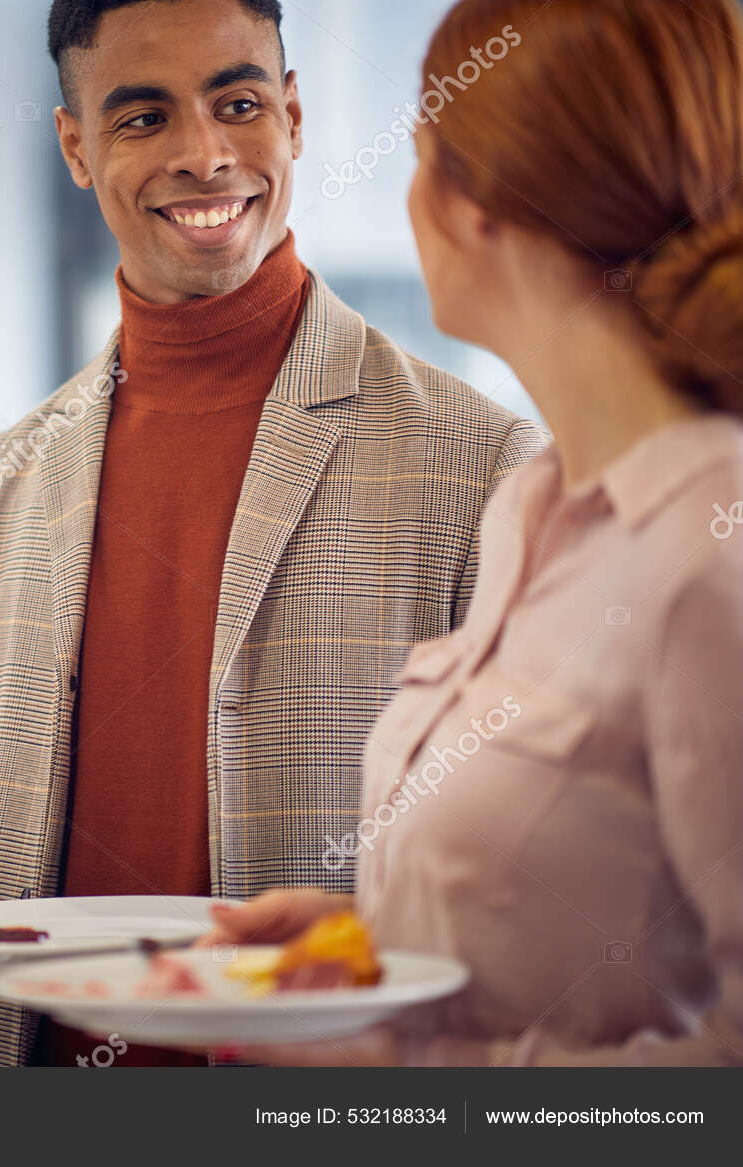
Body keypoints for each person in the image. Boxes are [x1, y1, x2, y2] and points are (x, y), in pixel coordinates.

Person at [0, 0, 546, 1067]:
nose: (205, 156)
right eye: (142, 118)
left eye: (238, 104)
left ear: (292, 115)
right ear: (77, 147)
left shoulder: (482, 463)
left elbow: (525, 869)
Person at [210, 0, 743, 1066]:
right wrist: (382, 954)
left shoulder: (706, 555)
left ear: (482, 205)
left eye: (421, 157)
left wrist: (413, 1066)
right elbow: (602, 906)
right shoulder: (529, 511)